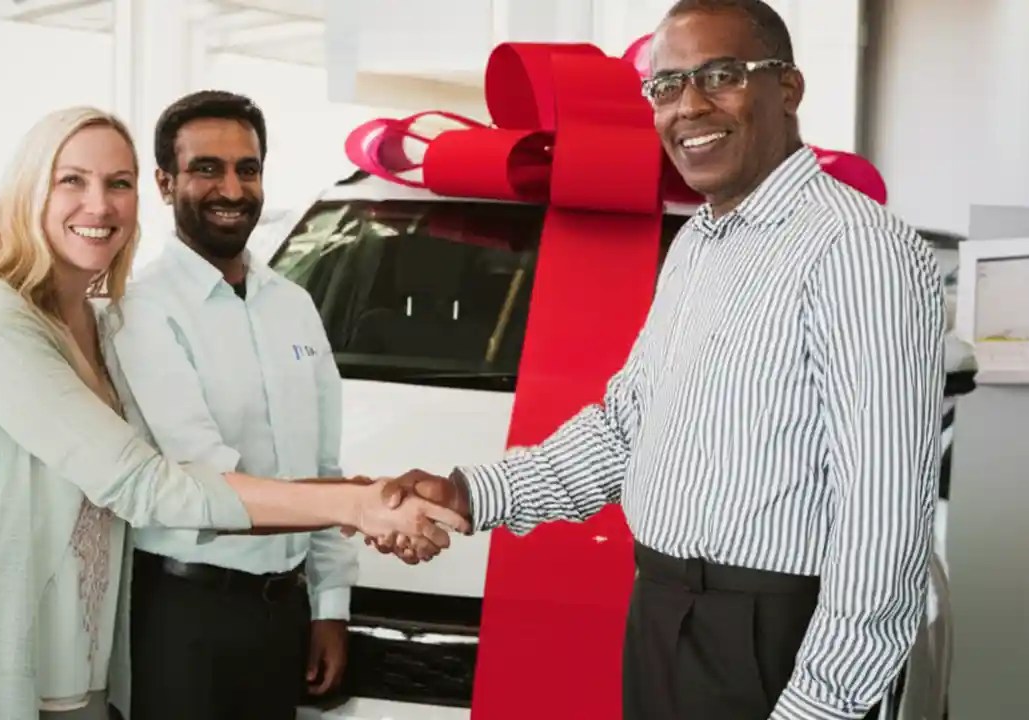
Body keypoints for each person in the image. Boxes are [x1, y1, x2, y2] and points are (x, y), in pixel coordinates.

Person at [374, 1, 946, 719]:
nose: (690, 106)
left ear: (789, 88)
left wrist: (821, 705)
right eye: (667, 85)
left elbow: (885, 516)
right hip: (664, 611)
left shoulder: (858, 251)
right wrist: (471, 493)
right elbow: (624, 428)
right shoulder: (700, 247)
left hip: (775, 636)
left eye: (722, 76)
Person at [0, 106, 467, 720]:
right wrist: (357, 503)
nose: (100, 204)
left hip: (78, 654)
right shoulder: (9, 323)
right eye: (71, 180)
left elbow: (315, 458)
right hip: (0, 660)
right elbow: (148, 484)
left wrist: (332, 592)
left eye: (117, 183)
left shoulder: (88, 316)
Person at [106, 90, 358, 720]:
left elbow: (322, 461)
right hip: (184, 617)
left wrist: (330, 606)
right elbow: (208, 474)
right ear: (166, 184)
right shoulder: (141, 311)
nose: (232, 188)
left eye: (248, 168)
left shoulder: (293, 305)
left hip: (281, 616)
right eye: (207, 168)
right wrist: (369, 505)